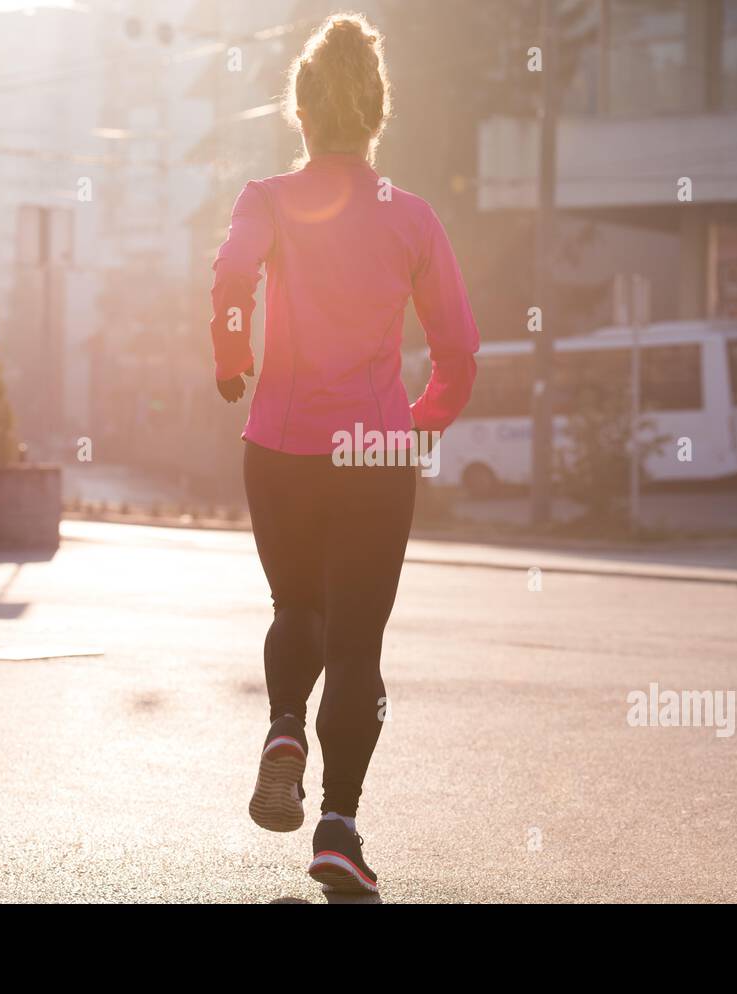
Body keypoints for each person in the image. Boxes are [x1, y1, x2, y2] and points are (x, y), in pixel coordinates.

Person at [208, 13, 480, 895]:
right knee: (358, 643)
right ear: (376, 113)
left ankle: (284, 725)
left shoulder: (267, 199)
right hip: (373, 455)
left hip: (278, 445)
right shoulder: (413, 218)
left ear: (301, 112)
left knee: (297, 605)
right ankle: (338, 827)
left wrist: (231, 355)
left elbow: (231, 279)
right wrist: (420, 424)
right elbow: (459, 350)